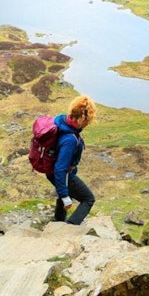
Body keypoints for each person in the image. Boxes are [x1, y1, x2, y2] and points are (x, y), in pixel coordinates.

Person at [48, 95, 97, 225]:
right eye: (87, 121)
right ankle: (69, 228)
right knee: (88, 199)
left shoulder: (63, 122)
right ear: (81, 118)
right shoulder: (70, 140)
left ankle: (58, 223)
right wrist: (64, 195)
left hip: (51, 171)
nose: (88, 124)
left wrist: (64, 194)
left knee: (67, 193)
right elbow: (60, 169)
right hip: (60, 173)